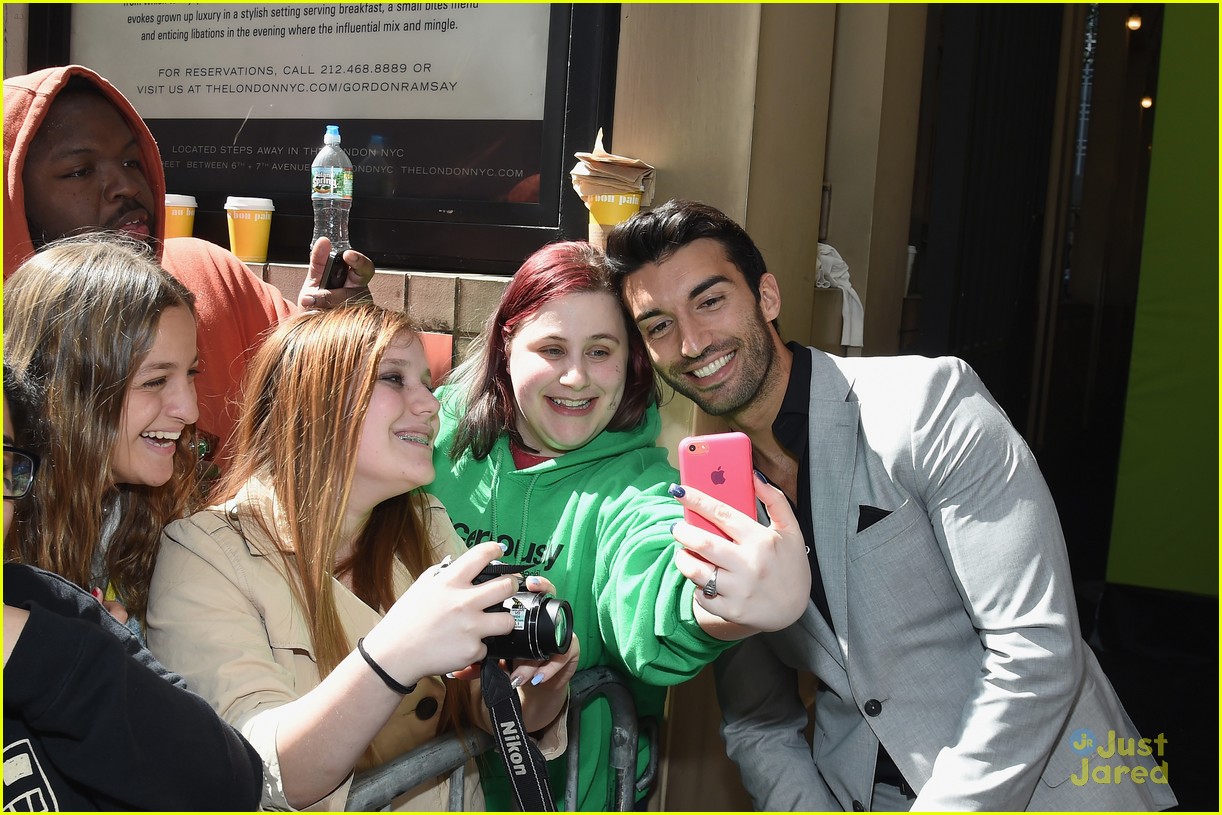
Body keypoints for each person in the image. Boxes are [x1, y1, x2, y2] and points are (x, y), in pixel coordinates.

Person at [603, 199, 1178, 811]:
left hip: (1052, 791)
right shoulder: (721, 497)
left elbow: (1036, 647)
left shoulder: (927, 404)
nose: (691, 341)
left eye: (710, 300)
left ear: (766, 298)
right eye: (659, 325)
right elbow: (758, 724)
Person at [145, 303, 577, 811]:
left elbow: (485, 709)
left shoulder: (425, 523)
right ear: (314, 402)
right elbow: (256, 774)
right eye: (394, 378)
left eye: (427, 381)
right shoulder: (204, 554)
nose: (430, 404)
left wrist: (543, 678)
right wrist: (395, 653)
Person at [428, 240, 810, 810]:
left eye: (601, 351)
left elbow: (653, 591)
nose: (577, 377)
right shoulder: (436, 437)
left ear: (630, 362)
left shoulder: (642, 485)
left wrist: (723, 603)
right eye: (552, 348)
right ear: (507, 344)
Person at [3, 64, 374, 461]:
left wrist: (341, 328)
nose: (128, 186)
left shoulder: (210, 275)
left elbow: (327, 407)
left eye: (132, 162)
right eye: (80, 171)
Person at [3, 372, 265, 811]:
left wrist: (31, 648)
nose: (190, 409)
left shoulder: (45, 605)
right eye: (155, 380)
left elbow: (231, 785)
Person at [4, 234, 203, 633]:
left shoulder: (140, 518)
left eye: (191, 374)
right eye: (155, 381)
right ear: (67, 392)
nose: (189, 410)